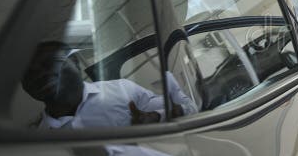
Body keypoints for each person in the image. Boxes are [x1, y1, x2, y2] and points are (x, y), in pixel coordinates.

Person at [21, 41, 197, 129]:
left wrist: (157, 117)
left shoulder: (122, 90)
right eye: (29, 74)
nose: (40, 74)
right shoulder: (37, 140)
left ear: (75, 62)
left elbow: (190, 110)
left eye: (50, 63)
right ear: (25, 87)